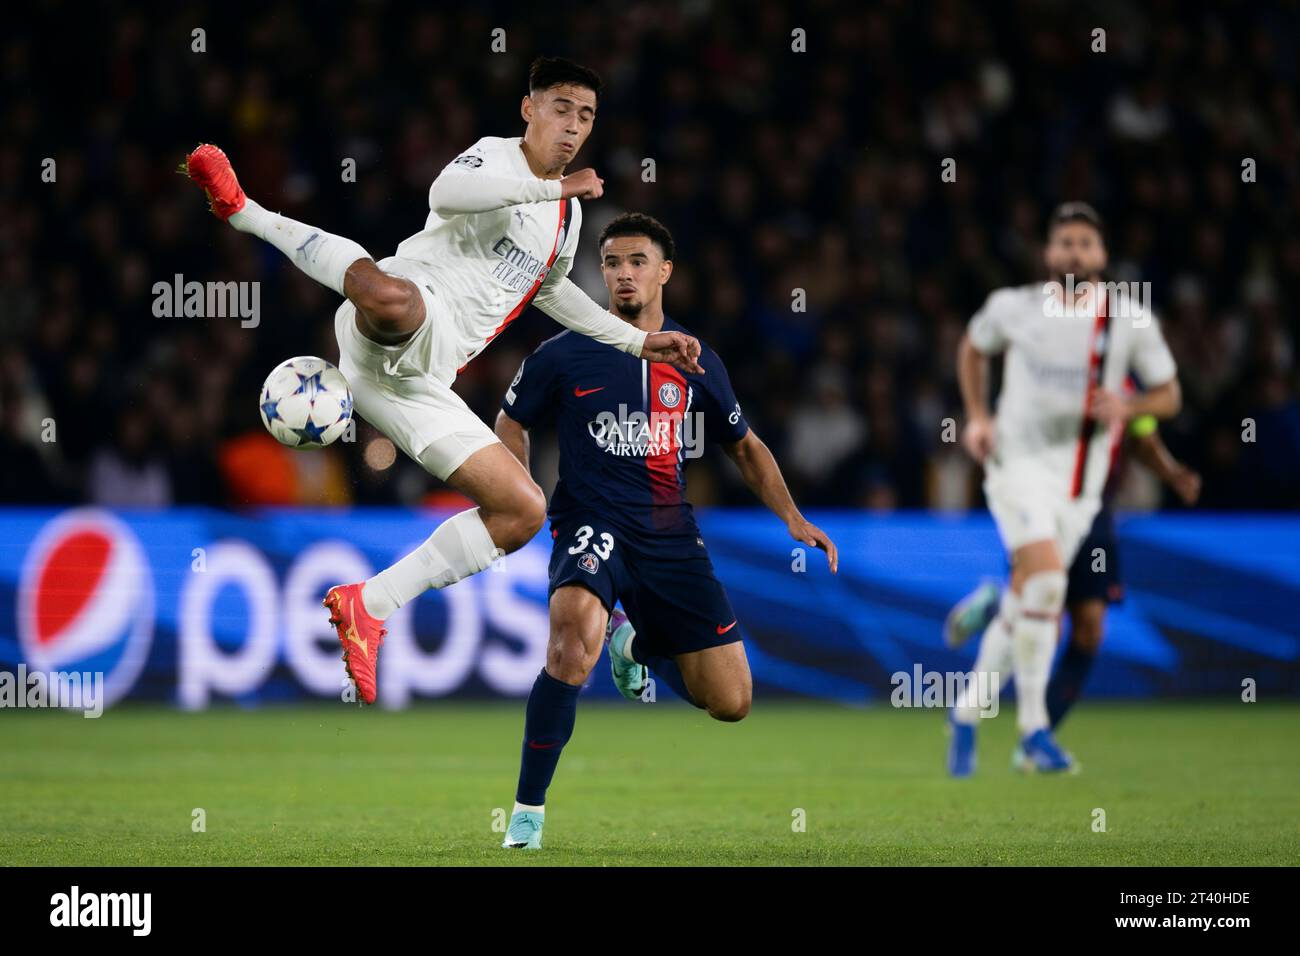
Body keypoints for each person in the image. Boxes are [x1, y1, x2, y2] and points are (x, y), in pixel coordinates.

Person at [182, 57, 702, 704]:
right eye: (561, 108)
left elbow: (551, 292)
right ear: (529, 109)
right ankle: (243, 210)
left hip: (420, 381)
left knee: (522, 510)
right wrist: (553, 190)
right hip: (403, 313)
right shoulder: (496, 158)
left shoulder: (564, 223)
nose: (572, 127)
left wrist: (637, 340)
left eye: (586, 116)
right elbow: (444, 196)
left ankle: (368, 604)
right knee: (394, 298)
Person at [494, 213, 837, 848]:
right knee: (570, 647)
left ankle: (636, 648)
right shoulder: (565, 350)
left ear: (665, 272)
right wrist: (524, 492)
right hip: (590, 524)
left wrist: (792, 516)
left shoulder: (694, 356)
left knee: (731, 701)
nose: (624, 274)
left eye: (638, 262)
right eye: (613, 263)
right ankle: (526, 817)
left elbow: (745, 444)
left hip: (670, 536)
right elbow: (511, 421)